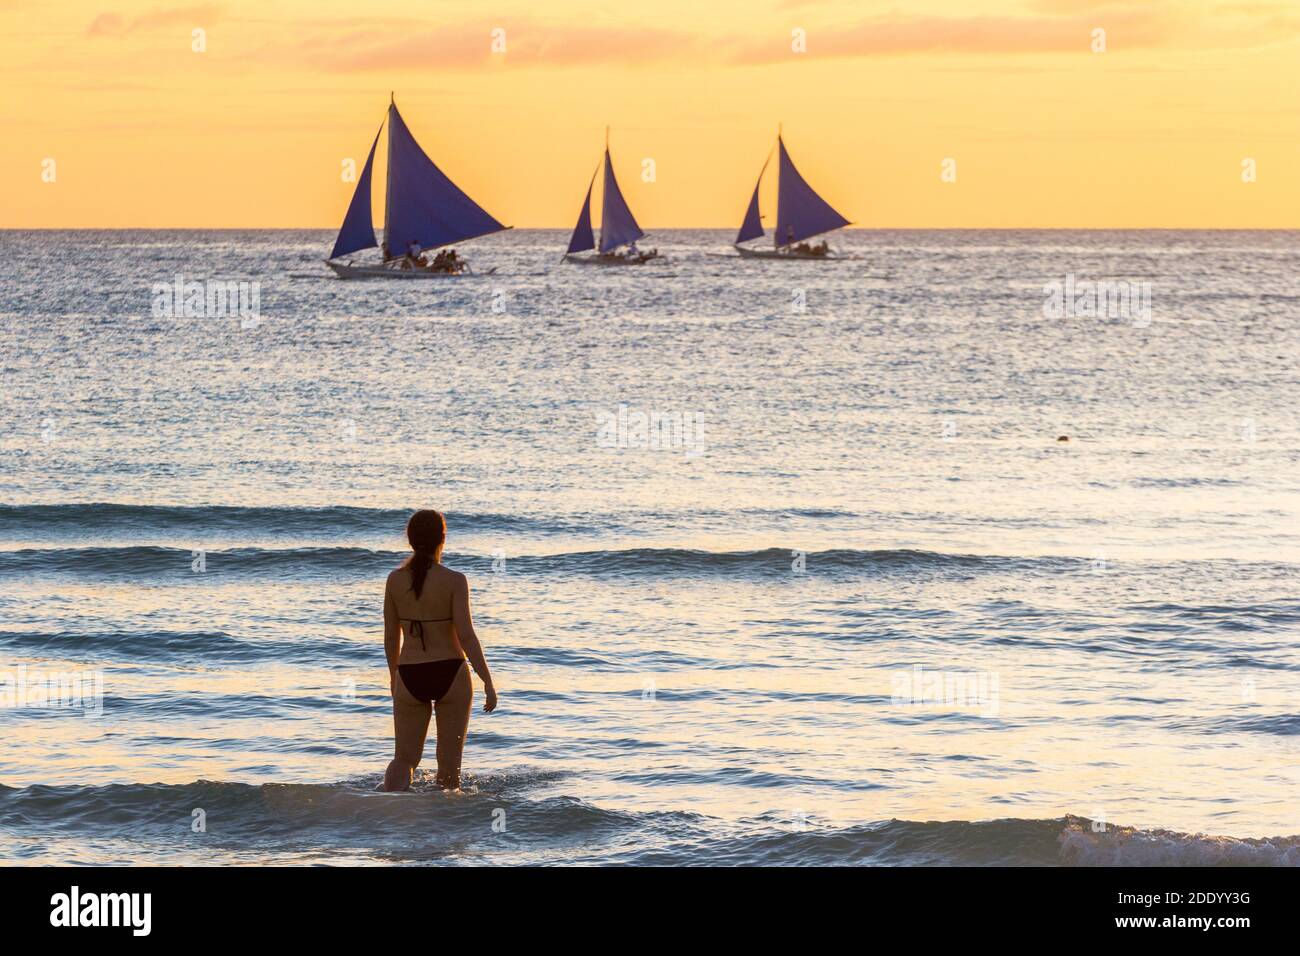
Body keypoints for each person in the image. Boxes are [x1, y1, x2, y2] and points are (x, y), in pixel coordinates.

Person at [383, 509, 497, 791]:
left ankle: (386, 813)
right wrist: (487, 680)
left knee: (404, 759)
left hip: (409, 673)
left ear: (410, 540)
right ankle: (443, 829)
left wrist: (394, 677)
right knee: (449, 768)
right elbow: (467, 636)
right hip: (450, 672)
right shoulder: (455, 580)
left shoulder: (394, 580)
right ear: (442, 539)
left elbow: (389, 638)